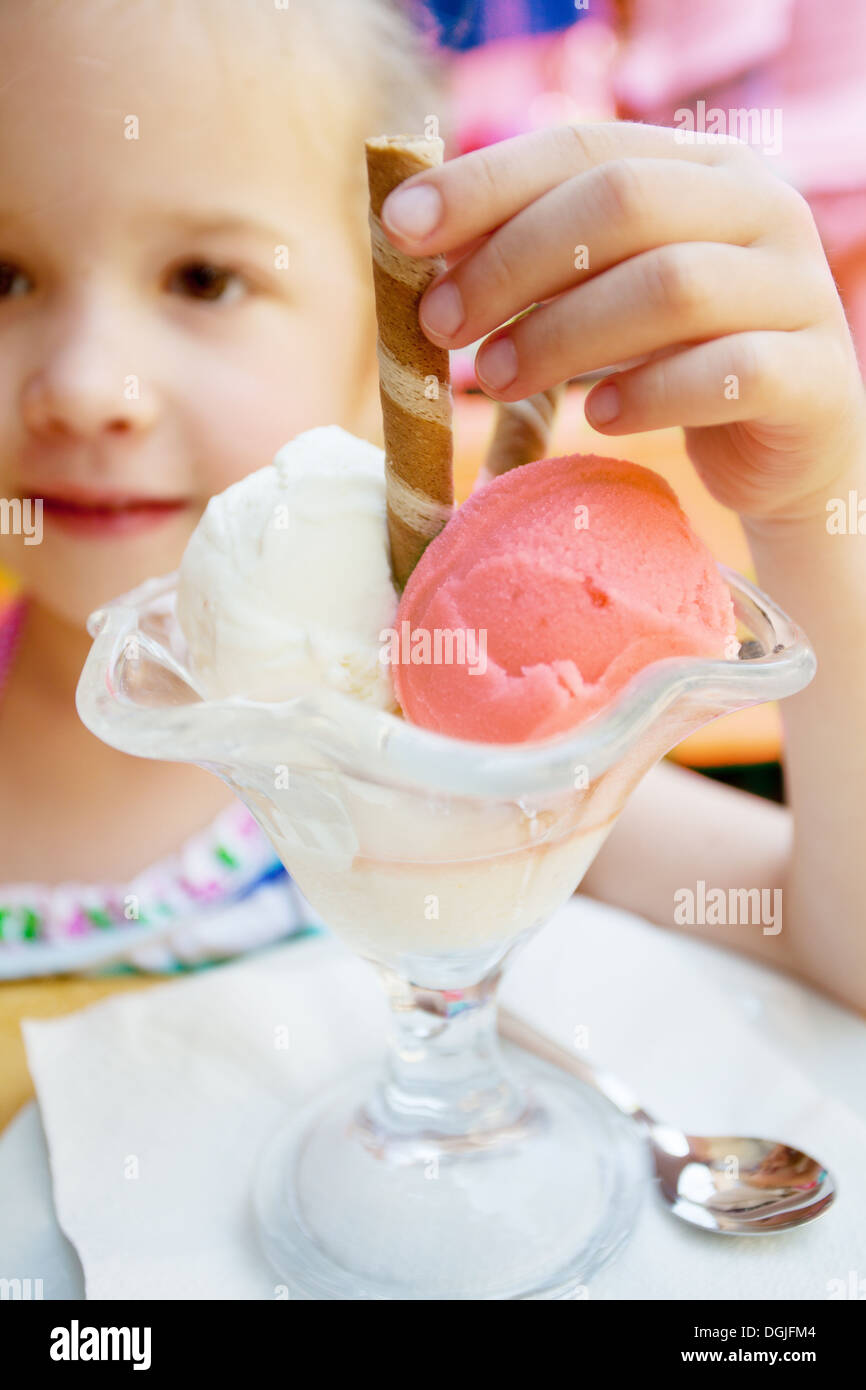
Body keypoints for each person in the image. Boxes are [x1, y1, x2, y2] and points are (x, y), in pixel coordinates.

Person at [0, 2, 863, 1011]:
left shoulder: (475, 768)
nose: (88, 385)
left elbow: (839, 940)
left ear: (388, 350)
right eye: (7, 276)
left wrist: (809, 505)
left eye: (204, 279)